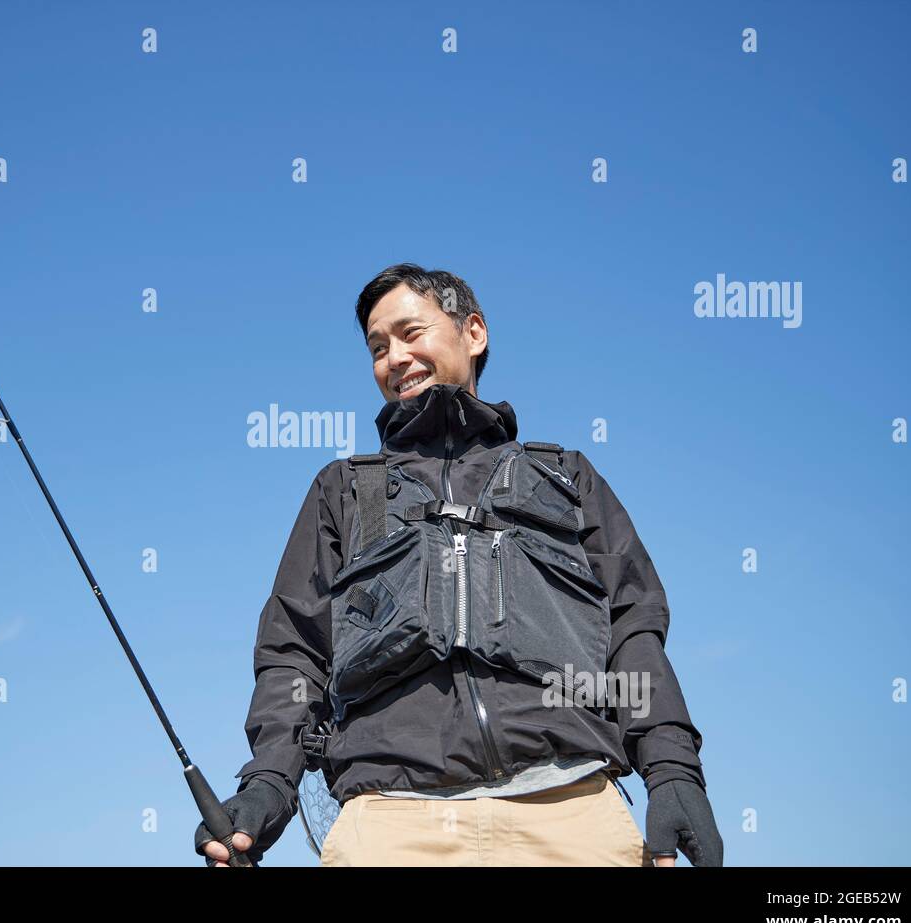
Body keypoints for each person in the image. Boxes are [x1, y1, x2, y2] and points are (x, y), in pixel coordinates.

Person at [195, 263, 722, 867]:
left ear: (473, 333)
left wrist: (673, 771)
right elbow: (294, 651)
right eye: (377, 347)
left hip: (571, 807)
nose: (394, 357)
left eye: (410, 332)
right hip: (389, 822)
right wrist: (268, 783)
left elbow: (633, 628)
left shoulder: (568, 475)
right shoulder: (340, 490)